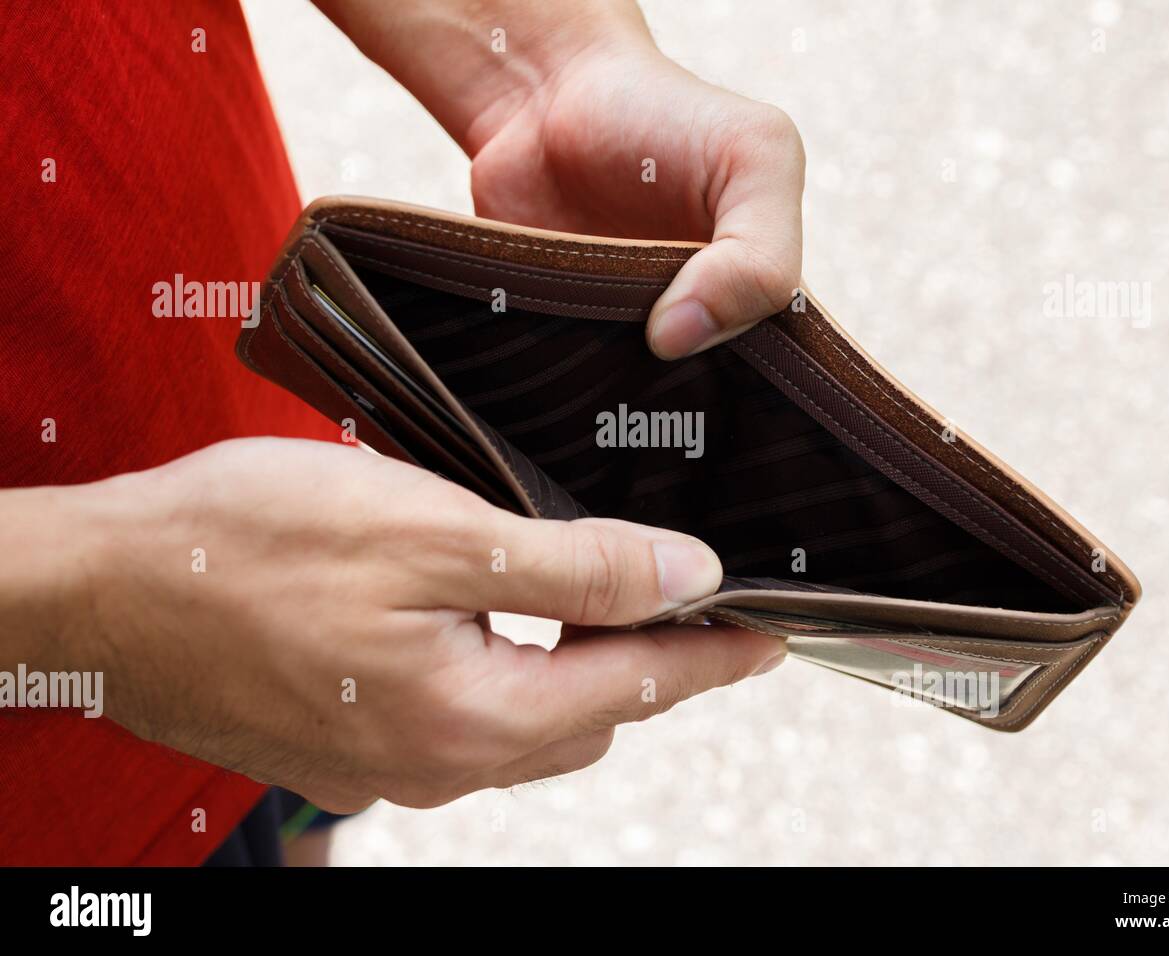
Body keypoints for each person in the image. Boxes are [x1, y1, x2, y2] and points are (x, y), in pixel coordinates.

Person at [0, 0, 805, 865]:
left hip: (308, 540)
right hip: (62, 807)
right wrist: (99, 599)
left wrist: (547, 64)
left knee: (304, 807)